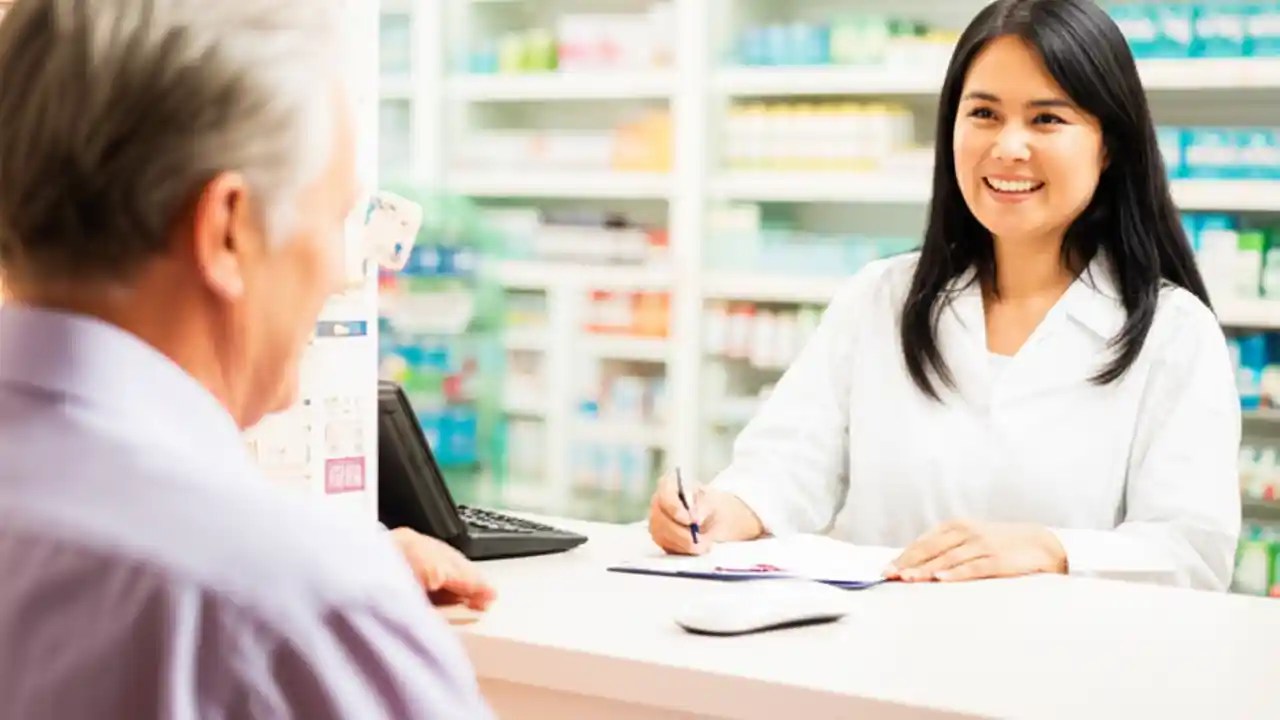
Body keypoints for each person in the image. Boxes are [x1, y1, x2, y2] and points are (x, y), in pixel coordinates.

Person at [0, 1, 494, 717]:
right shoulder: (294, 611)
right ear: (227, 231)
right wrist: (317, 578)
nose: (341, 271)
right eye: (332, 221)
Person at [649, 0, 1242, 592]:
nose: (1009, 147)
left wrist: (1049, 548)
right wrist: (723, 510)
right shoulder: (880, 299)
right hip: (875, 661)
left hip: (1069, 670)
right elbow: (784, 467)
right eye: (984, 112)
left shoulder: (1174, 333)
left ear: (1108, 145)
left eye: (1047, 119)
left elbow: (1193, 552)